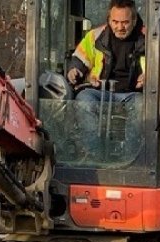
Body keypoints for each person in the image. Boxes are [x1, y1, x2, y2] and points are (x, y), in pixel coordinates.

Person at [67, 0, 146, 158]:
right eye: (115, 22)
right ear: (109, 20)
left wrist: (149, 75)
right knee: (83, 100)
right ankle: (96, 155)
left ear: (134, 20)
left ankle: (130, 159)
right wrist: (73, 70)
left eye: (125, 22)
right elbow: (80, 58)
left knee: (141, 105)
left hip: (132, 93)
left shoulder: (149, 38)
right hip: (100, 91)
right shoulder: (95, 36)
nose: (120, 27)